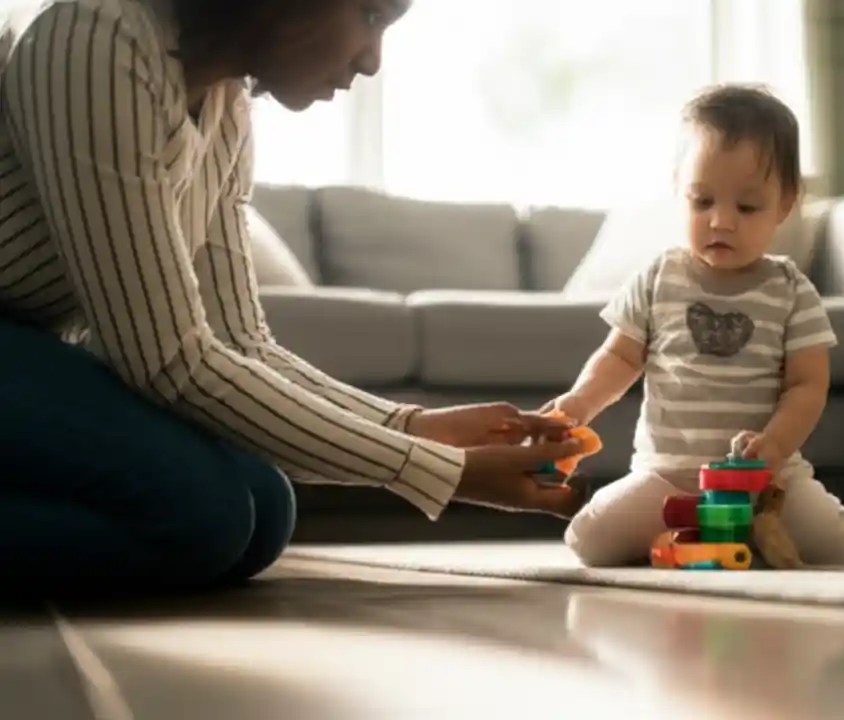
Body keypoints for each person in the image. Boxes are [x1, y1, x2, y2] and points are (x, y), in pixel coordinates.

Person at [0, 0, 584, 598]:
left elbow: (237, 341)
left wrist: (414, 427)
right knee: (204, 517)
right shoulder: (95, 36)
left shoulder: (224, 104)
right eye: (371, 17)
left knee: (265, 506)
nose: (372, 62)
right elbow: (168, 360)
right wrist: (435, 470)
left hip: (32, 345)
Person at [549, 84, 844, 567]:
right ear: (679, 190)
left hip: (765, 481)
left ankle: (743, 529)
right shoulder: (658, 277)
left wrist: (775, 446)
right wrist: (578, 403)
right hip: (667, 478)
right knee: (589, 542)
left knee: (835, 545)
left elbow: (808, 384)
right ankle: (705, 532)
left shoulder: (791, 290)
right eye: (702, 202)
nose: (721, 221)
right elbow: (619, 356)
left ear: (785, 203)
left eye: (747, 207)